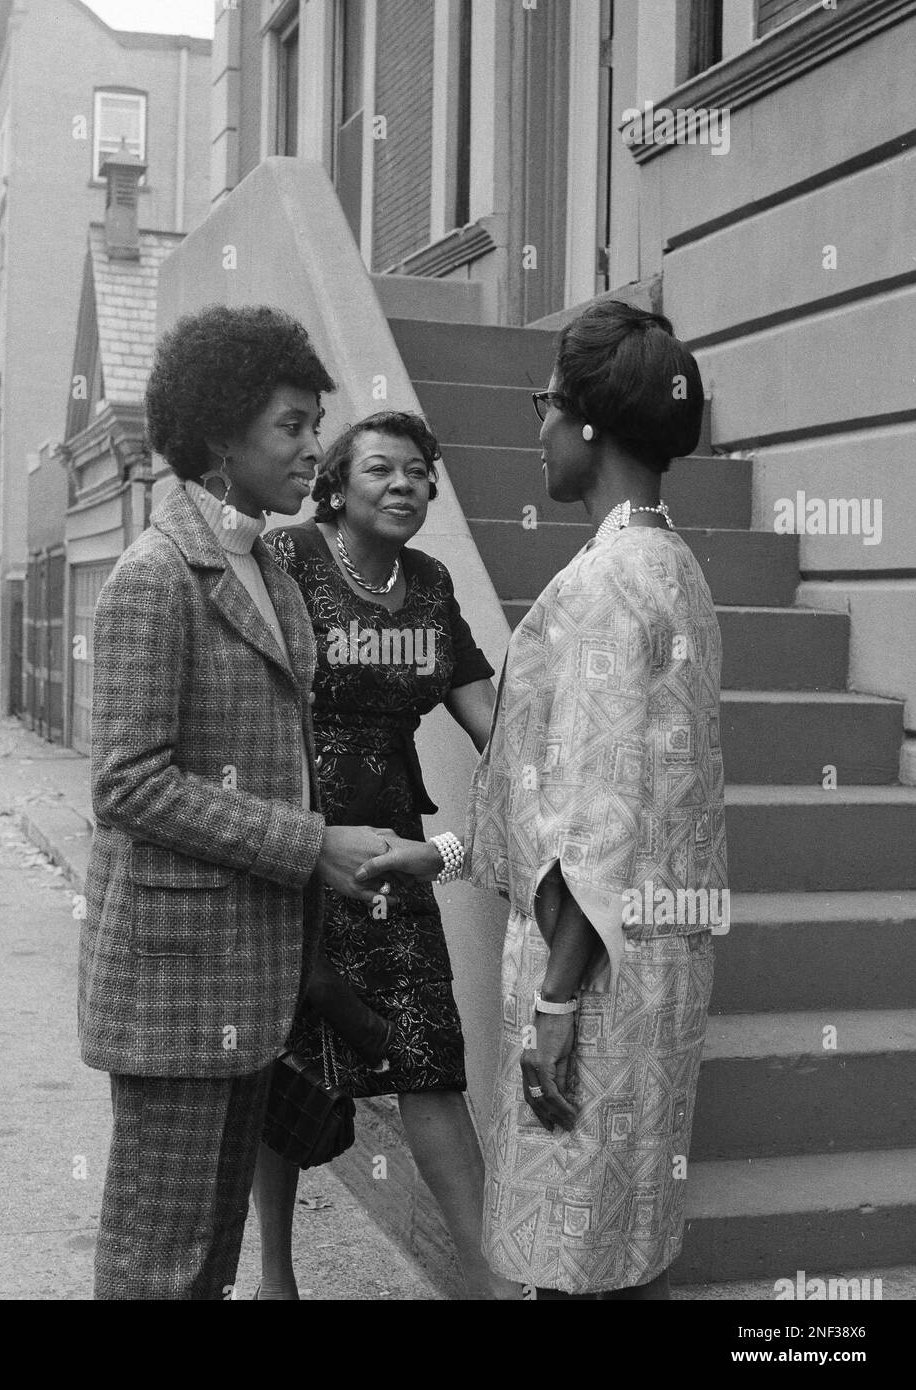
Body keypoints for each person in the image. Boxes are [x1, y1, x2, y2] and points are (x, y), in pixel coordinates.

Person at [359, 302, 727, 1299]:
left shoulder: (607, 582)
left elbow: (601, 819)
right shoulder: (678, 569)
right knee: (620, 1243)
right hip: (658, 974)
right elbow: (579, 789)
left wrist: (556, 1007)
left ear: (590, 424)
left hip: (594, 984)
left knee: (571, 1257)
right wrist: (439, 855)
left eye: (548, 406)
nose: (540, 430)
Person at [77, 305, 393, 1300]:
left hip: (250, 987)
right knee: (156, 1271)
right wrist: (311, 845)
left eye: (314, 425)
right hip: (172, 995)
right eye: (291, 427)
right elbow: (127, 781)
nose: (315, 450)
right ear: (222, 437)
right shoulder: (156, 574)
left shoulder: (268, 568)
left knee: (207, 1268)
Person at [255, 411, 521, 1300]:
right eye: (382, 469)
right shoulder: (288, 561)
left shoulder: (433, 587)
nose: (405, 484)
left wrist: (525, 784)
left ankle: (486, 1282)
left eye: (419, 471)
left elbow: (495, 726)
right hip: (296, 849)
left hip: (391, 857)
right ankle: (277, 1276)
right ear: (336, 485)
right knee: (286, 1071)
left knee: (428, 1060)